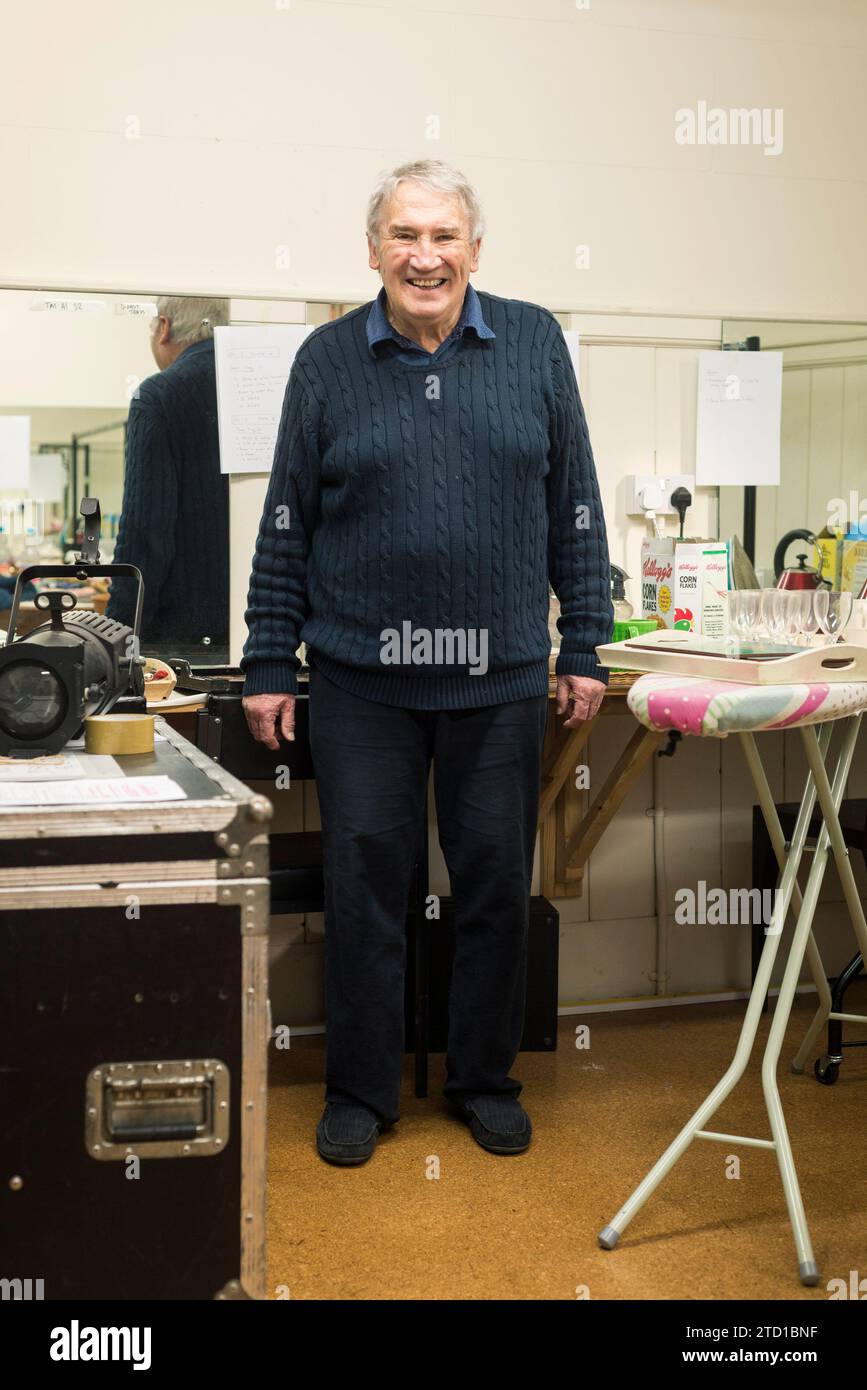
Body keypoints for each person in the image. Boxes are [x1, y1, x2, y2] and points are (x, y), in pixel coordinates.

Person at [241, 159, 613, 1165]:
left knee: (496, 882)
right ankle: (361, 1090)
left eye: (444, 236)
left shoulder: (534, 342)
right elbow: (286, 522)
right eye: (405, 235)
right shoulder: (326, 362)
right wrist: (269, 655)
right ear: (374, 250)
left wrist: (586, 637)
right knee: (365, 888)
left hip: (499, 682)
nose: (424, 255)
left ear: (475, 250)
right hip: (362, 681)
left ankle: (484, 1076)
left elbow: (574, 502)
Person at [106, 296, 230, 655]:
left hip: (179, 640)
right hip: (264, 632)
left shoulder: (157, 397)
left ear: (164, 328)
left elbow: (145, 535)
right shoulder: (264, 386)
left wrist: (115, 635)